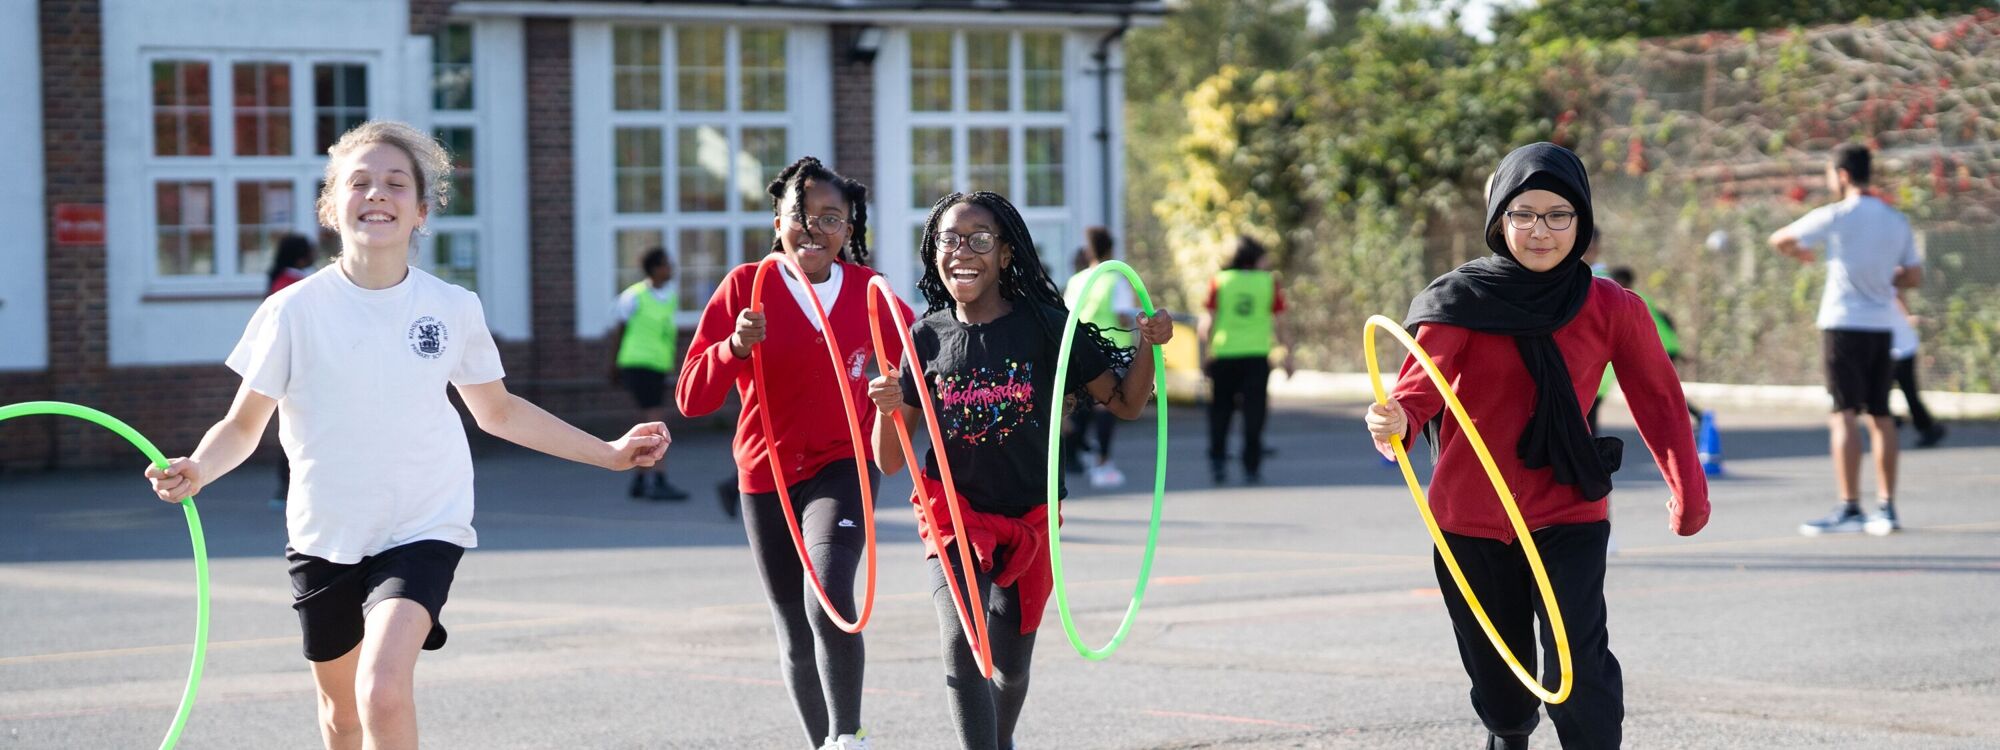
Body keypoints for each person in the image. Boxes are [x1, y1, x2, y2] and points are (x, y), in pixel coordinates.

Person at [144, 120, 669, 750]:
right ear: (331, 207)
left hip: (423, 526)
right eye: (359, 182)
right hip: (324, 536)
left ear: (422, 211)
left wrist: (608, 454)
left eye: (396, 184)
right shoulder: (292, 311)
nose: (377, 194)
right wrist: (198, 467)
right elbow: (243, 425)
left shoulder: (452, 308)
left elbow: (498, 412)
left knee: (382, 691)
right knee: (342, 716)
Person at [1364, 142, 1710, 750]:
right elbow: (1417, 392)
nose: (1541, 231)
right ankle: (1508, 734)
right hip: (1469, 516)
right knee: (1502, 692)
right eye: (1524, 214)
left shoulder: (1613, 307)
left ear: (1582, 224)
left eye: (1559, 215)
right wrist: (1396, 422)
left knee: (1577, 671)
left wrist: (1688, 490)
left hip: (1567, 507)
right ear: (1500, 219)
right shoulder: (1457, 302)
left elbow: (1659, 400)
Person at [866, 191, 1173, 750]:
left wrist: (1150, 347)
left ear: (1006, 254)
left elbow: (1127, 404)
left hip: (1031, 517)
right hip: (952, 516)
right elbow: (888, 459)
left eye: (980, 240)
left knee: (1010, 665)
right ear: (934, 252)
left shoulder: (1046, 327)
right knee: (963, 642)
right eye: (950, 240)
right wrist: (886, 407)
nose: (963, 252)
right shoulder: (924, 337)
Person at [676, 156, 903, 750]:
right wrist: (732, 348)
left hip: (842, 464)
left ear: (850, 230)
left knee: (827, 594)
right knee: (794, 628)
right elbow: (692, 399)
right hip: (765, 475)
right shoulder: (747, 287)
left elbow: (929, 353)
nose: (815, 227)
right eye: (801, 214)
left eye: (833, 218)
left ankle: (849, 738)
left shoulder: (869, 292)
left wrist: (898, 389)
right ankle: (821, 742)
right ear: (778, 220)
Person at [1769, 143, 1924, 536]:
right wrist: (1885, 277)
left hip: (1843, 324)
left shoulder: (1838, 215)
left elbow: (1780, 239)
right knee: (1881, 415)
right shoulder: (1895, 219)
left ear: (1841, 175)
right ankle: (1887, 508)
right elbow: (1913, 276)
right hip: (1881, 326)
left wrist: (1800, 254)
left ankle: (1851, 507)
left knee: (1843, 414)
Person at [1199, 236, 1294, 484]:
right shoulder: (1269, 282)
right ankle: (1251, 464)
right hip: (1256, 356)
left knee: (1220, 411)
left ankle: (1218, 460)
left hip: (1224, 355)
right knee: (1255, 412)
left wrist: (1204, 354)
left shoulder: (1219, 281)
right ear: (1254, 258)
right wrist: (1288, 355)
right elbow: (1281, 323)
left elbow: (1206, 323)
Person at [611, 246, 690, 501]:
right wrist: (612, 365)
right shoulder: (633, 296)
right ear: (655, 268)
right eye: (667, 264)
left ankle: (641, 479)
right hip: (637, 364)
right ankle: (658, 478)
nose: (671, 269)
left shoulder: (670, 297)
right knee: (655, 423)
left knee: (647, 424)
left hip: (657, 366)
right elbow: (619, 332)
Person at [1060, 226, 1133, 489]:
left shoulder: (1077, 280)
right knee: (1107, 405)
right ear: (1111, 249)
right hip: (1110, 351)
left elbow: (1066, 316)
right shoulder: (1116, 279)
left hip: (1081, 350)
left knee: (1081, 405)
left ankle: (1077, 455)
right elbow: (1124, 315)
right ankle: (1102, 460)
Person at [1589, 266, 1703, 432]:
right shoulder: (1641, 298)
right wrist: (1676, 348)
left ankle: (1684, 420)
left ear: (1620, 282)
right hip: (1663, 346)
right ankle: (1683, 419)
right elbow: (1666, 319)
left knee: (1659, 389)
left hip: (1655, 348)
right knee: (1661, 388)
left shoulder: (1626, 299)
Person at [265, 233, 316, 508]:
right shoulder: (294, 285)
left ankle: (286, 488)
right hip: (300, 368)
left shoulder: (283, 279)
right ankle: (288, 489)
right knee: (298, 430)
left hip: (296, 366)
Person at [1889, 291, 1947, 448]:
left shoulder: (1885, 289)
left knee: (1905, 391)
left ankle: (1925, 427)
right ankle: (1896, 421)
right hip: (1894, 349)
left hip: (1901, 350)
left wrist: (1908, 317)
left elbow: (1900, 303)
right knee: (1881, 392)